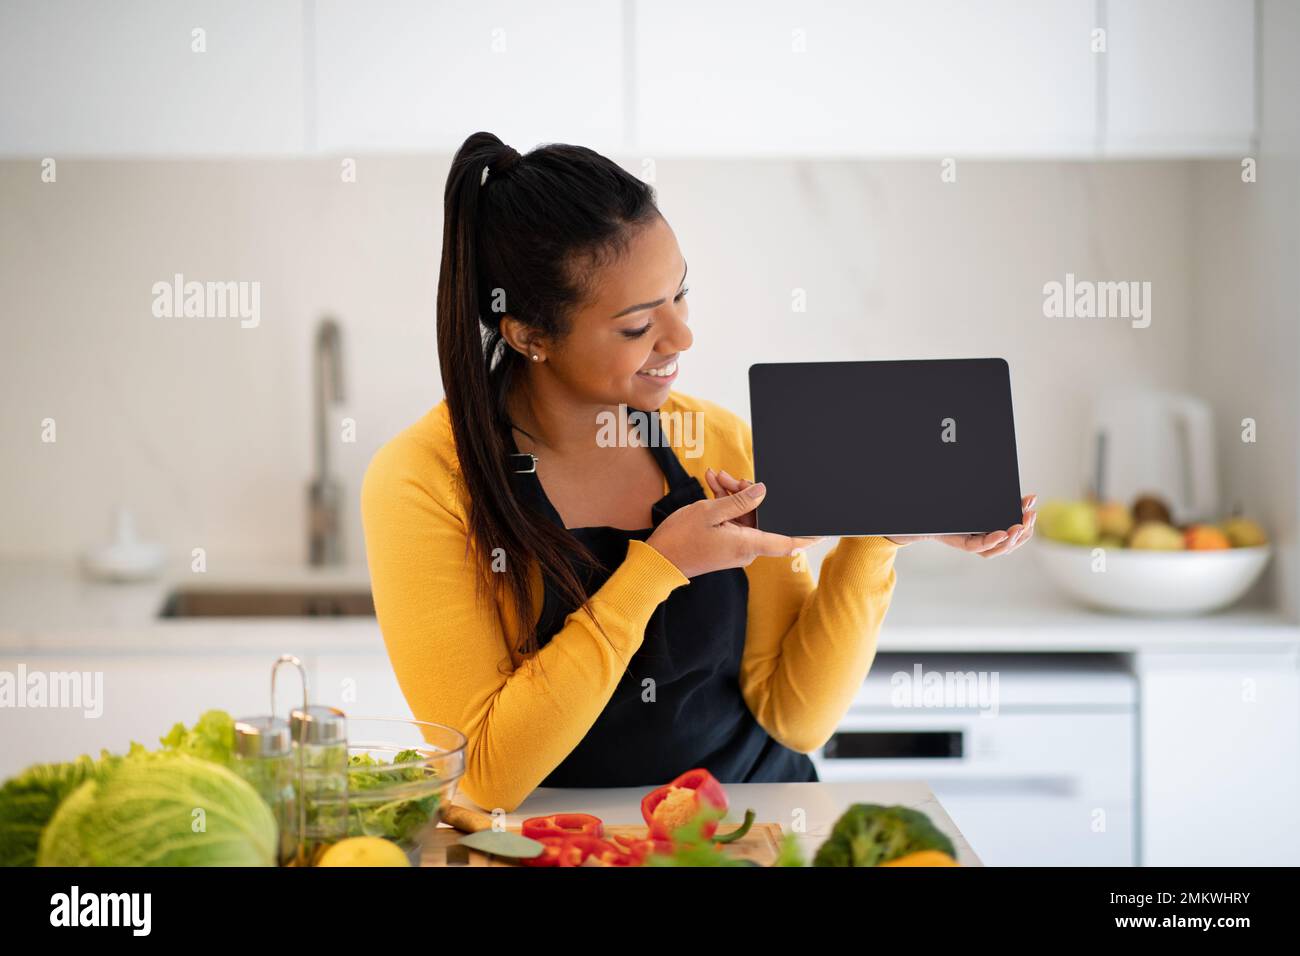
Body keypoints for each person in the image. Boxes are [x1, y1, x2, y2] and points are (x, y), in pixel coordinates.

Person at [361, 131, 1036, 812]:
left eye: (680, 296)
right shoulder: (423, 481)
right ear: (530, 336)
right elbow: (488, 774)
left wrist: (877, 538)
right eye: (636, 326)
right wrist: (658, 568)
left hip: (756, 827)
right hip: (570, 848)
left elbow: (795, 718)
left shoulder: (713, 439)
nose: (682, 338)